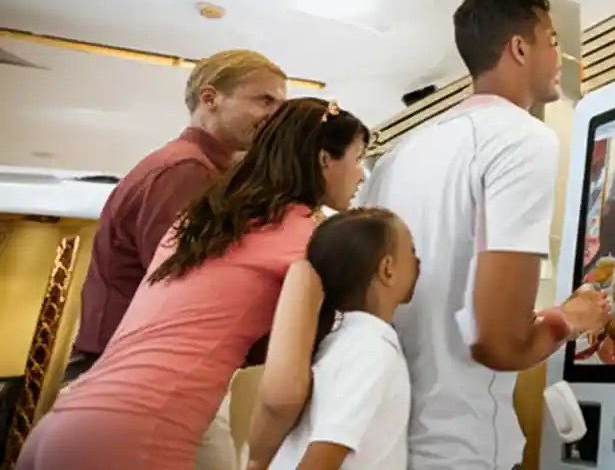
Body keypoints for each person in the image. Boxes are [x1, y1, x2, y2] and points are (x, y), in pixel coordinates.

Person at [18, 98, 369, 470]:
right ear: (324, 160)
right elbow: (284, 392)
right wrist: (260, 461)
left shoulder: (201, 220)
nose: (361, 174)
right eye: (358, 157)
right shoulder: (304, 239)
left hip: (64, 420)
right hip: (136, 432)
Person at [361, 0, 610, 470]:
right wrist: (572, 318)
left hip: (384, 440)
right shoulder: (523, 139)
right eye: (553, 40)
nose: (561, 55)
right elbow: (497, 341)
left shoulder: (398, 155)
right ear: (520, 48)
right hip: (463, 447)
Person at [67, 48, 286, 468]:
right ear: (210, 98)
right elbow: (192, 292)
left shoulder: (203, 171)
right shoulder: (185, 172)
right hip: (132, 381)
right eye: (264, 100)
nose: (275, 115)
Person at [250, 207, 419, 469]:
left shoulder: (342, 341)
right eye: (411, 251)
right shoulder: (372, 353)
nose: (418, 262)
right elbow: (323, 456)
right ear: (387, 270)